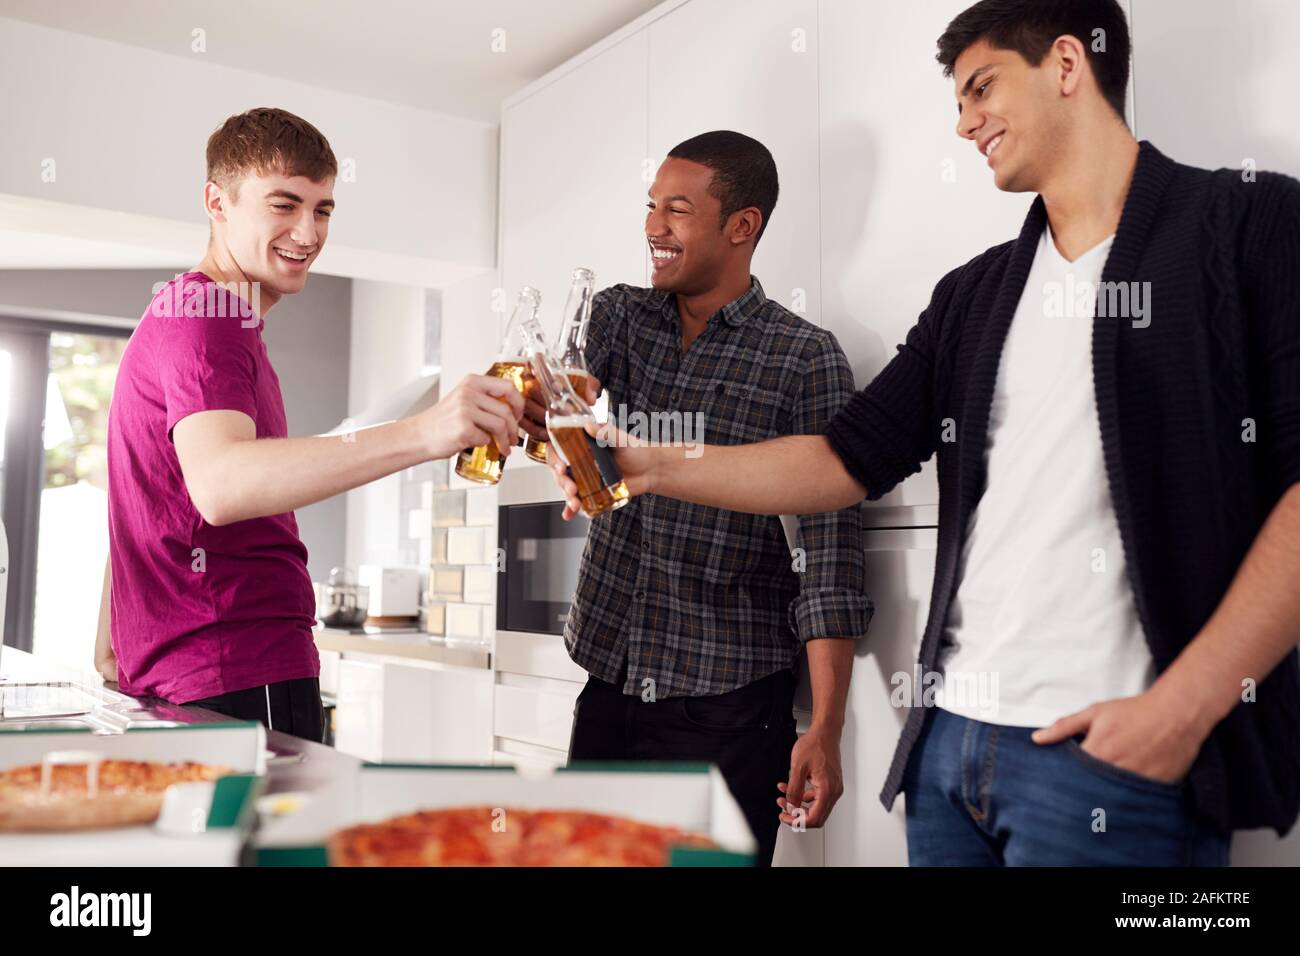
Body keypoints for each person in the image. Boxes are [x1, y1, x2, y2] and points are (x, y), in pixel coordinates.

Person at [553, 0, 1300, 865]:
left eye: (981, 87)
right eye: (956, 99)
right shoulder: (974, 294)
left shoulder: (1249, 226)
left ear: (1067, 63)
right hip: (949, 757)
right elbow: (841, 461)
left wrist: (1188, 707)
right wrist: (642, 464)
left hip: (1106, 761)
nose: (963, 123)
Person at [98, 107, 524, 741]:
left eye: (322, 209)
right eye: (283, 204)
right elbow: (221, 486)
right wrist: (427, 431)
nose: (308, 231)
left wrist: (111, 637)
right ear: (217, 202)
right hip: (237, 667)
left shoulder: (193, 314)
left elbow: (146, 491)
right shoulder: (210, 316)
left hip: (192, 671)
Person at [528, 131, 869, 866]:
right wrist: (558, 427)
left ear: (741, 225)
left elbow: (830, 561)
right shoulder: (619, 317)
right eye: (651, 207)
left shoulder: (802, 357)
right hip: (608, 685)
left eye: (677, 210)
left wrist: (828, 727)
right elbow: (567, 402)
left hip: (726, 709)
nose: (654, 227)